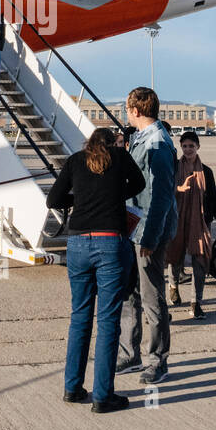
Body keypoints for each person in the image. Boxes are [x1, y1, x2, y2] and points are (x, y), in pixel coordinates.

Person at [47, 128, 146, 413]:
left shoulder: (76, 160)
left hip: (77, 242)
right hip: (109, 242)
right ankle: (103, 395)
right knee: (108, 322)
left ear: (89, 143)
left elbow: (53, 200)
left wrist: (79, 200)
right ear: (114, 142)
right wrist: (113, 195)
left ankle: (72, 388)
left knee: (79, 317)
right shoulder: (121, 157)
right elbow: (138, 184)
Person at [117, 86, 178, 386]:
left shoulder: (157, 143)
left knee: (152, 297)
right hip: (133, 228)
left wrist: (151, 238)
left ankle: (157, 360)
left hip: (147, 233)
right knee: (130, 293)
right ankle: (130, 353)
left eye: (127, 108)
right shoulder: (141, 138)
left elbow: (162, 196)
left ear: (136, 110)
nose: (125, 113)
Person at [166, 131, 216, 318]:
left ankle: (196, 302)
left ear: (198, 147)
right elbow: (164, 193)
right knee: (175, 258)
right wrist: (179, 189)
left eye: (191, 146)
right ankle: (173, 285)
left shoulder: (206, 171)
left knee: (200, 261)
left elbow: (213, 198)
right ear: (181, 147)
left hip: (199, 222)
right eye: (185, 146)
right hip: (177, 219)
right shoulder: (173, 168)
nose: (188, 149)